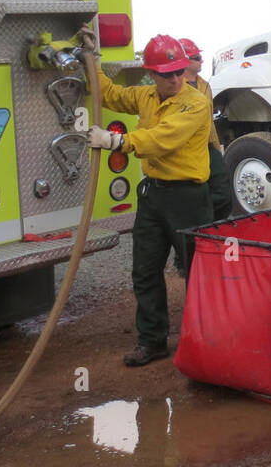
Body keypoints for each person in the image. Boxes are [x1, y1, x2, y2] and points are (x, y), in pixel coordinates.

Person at [87, 34, 212, 367]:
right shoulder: (145, 96)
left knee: (198, 271)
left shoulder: (194, 103)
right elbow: (111, 94)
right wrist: (92, 61)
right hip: (154, 195)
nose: (175, 79)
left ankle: (207, 339)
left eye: (179, 72)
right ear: (151, 74)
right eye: (167, 74)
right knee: (145, 271)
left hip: (188, 197)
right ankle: (152, 340)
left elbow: (162, 138)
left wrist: (115, 141)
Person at [180, 38, 232, 220]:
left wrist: (216, 148)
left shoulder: (205, 85)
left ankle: (214, 223)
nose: (201, 60)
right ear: (185, 61)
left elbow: (210, 120)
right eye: (196, 57)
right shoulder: (175, 88)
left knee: (223, 192)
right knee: (194, 192)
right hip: (186, 150)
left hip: (207, 146)